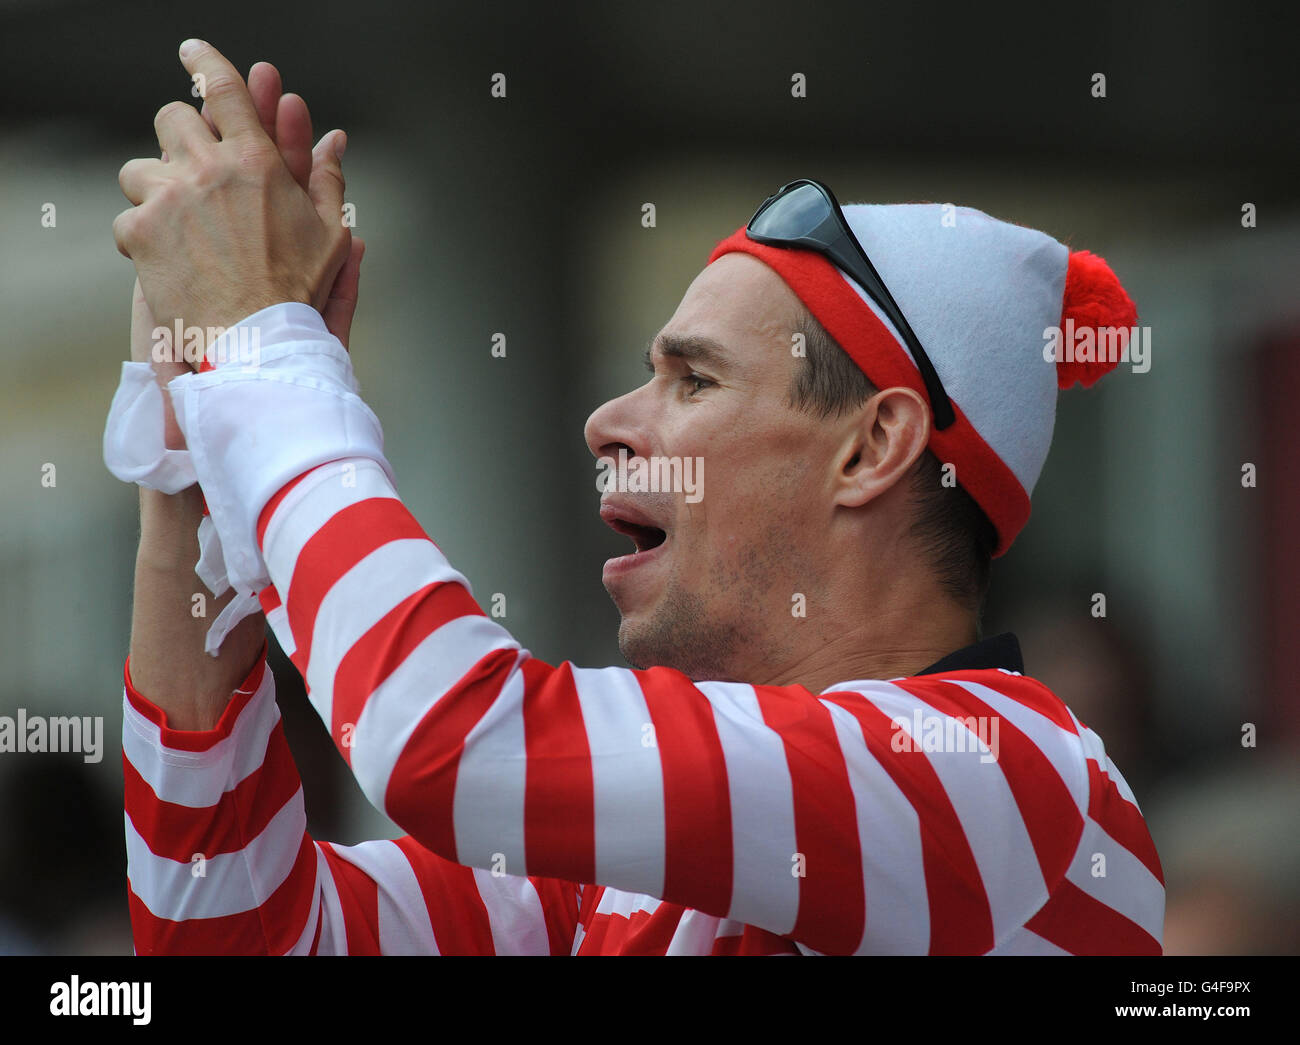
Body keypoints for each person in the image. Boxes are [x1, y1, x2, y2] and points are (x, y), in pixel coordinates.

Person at [106, 40, 1164, 955]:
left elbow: (448, 742)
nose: (605, 421)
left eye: (692, 379)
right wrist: (197, 466)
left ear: (873, 447)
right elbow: (231, 936)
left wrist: (265, 355)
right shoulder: (639, 872)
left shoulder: (1001, 770)